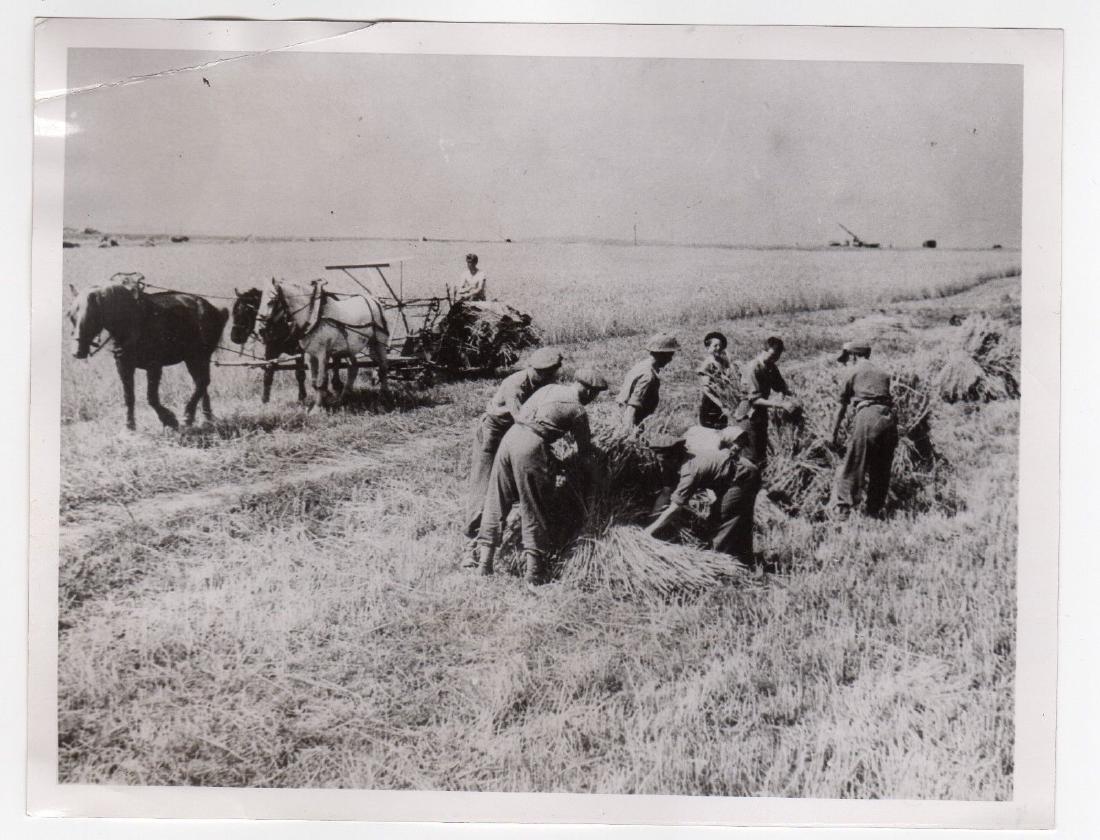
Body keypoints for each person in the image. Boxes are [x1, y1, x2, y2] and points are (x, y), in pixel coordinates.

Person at [474, 367, 609, 585]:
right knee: (534, 505)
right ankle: (534, 573)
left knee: (496, 499)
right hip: (531, 446)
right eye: (594, 395)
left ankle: (484, 564)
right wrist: (594, 474)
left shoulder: (549, 388)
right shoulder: (577, 410)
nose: (593, 400)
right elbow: (584, 452)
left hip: (510, 438)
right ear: (589, 392)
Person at [461, 347, 564, 563]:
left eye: (550, 373)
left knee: (515, 487)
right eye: (542, 372)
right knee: (485, 487)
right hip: (495, 433)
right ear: (532, 368)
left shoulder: (545, 384)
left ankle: (503, 536)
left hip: (515, 436)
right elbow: (521, 418)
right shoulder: (515, 384)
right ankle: (471, 545)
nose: (545, 377)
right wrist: (548, 435)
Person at [644, 424, 762, 568]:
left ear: (673, 457)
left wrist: (648, 532)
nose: (660, 464)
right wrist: (650, 521)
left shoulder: (690, 470)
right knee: (735, 518)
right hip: (729, 476)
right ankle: (745, 561)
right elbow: (666, 493)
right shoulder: (674, 464)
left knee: (722, 518)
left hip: (744, 476)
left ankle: (718, 564)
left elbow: (675, 508)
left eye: (662, 460)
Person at [830, 340, 899, 518]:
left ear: (854, 355)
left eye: (847, 357)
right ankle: (874, 511)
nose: (846, 361)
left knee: (854, 463)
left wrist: (833, 435)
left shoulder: (852, 371)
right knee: (881, 468)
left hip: (868, 417)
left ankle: (842, 513)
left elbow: (841, 407)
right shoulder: (883, 373)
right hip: (889, 420)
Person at [733, 335, 795, 465]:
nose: (775, 359)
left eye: (777, 356)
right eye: (772, 355)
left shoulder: (771, 366)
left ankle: (758, 480)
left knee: (761, 451)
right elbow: (754, 400)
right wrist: (780, 404)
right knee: (750, 455)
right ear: (764, 350)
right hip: (748, 414)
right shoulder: (752, 368)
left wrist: (788, 392)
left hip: (761, 413)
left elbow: (779, 385)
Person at [618, 332, 680, 430]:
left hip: (624, 417)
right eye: (670, 354)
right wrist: (629, 436)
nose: (671, 359)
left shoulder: (641, 365)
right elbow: (631, 409)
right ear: (662, 354)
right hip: (629, 422)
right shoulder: (648, 376)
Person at [696, 330, 734, 429]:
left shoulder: (723, 362)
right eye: (715, 346)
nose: (718, 348)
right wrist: (721, 405)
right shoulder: (707, 365)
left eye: (720, 345)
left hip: (723, 403)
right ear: (708, 348)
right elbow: (707, 390)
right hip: (711, 405)